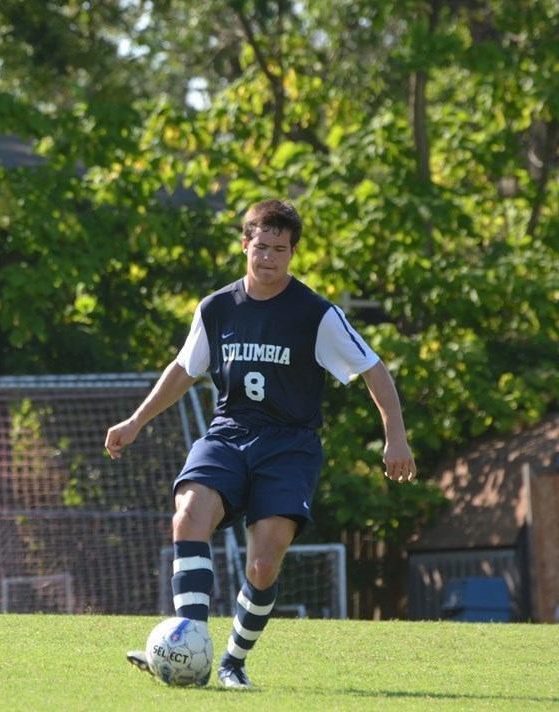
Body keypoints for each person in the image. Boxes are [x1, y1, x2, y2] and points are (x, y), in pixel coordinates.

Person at [105, 199, 416, 689]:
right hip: (228, 432)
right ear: (244, 244)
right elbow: (185, 370)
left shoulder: (316, 314)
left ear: (292, 253)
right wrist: (137, 420)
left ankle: (231, 661)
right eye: (261, 246)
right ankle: (191, 645)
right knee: (187, 515)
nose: (268, 257)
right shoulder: (217, 308)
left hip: (289, 445)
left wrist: (395, 437)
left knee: (264, 561)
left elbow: (374, 368)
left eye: (280, 249)